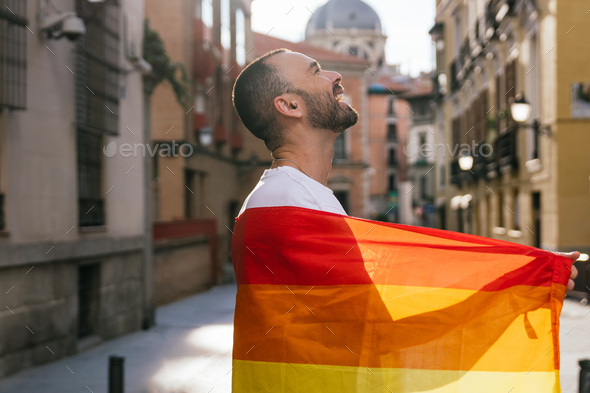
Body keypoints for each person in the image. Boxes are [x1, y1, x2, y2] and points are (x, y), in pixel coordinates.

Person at [232, 48, 579, 290]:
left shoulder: (296, 197)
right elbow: (378, 314)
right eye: (316, 72)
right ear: (290, 105)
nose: (335, 75)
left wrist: (527, 274)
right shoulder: (286, 203)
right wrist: (524, 278)